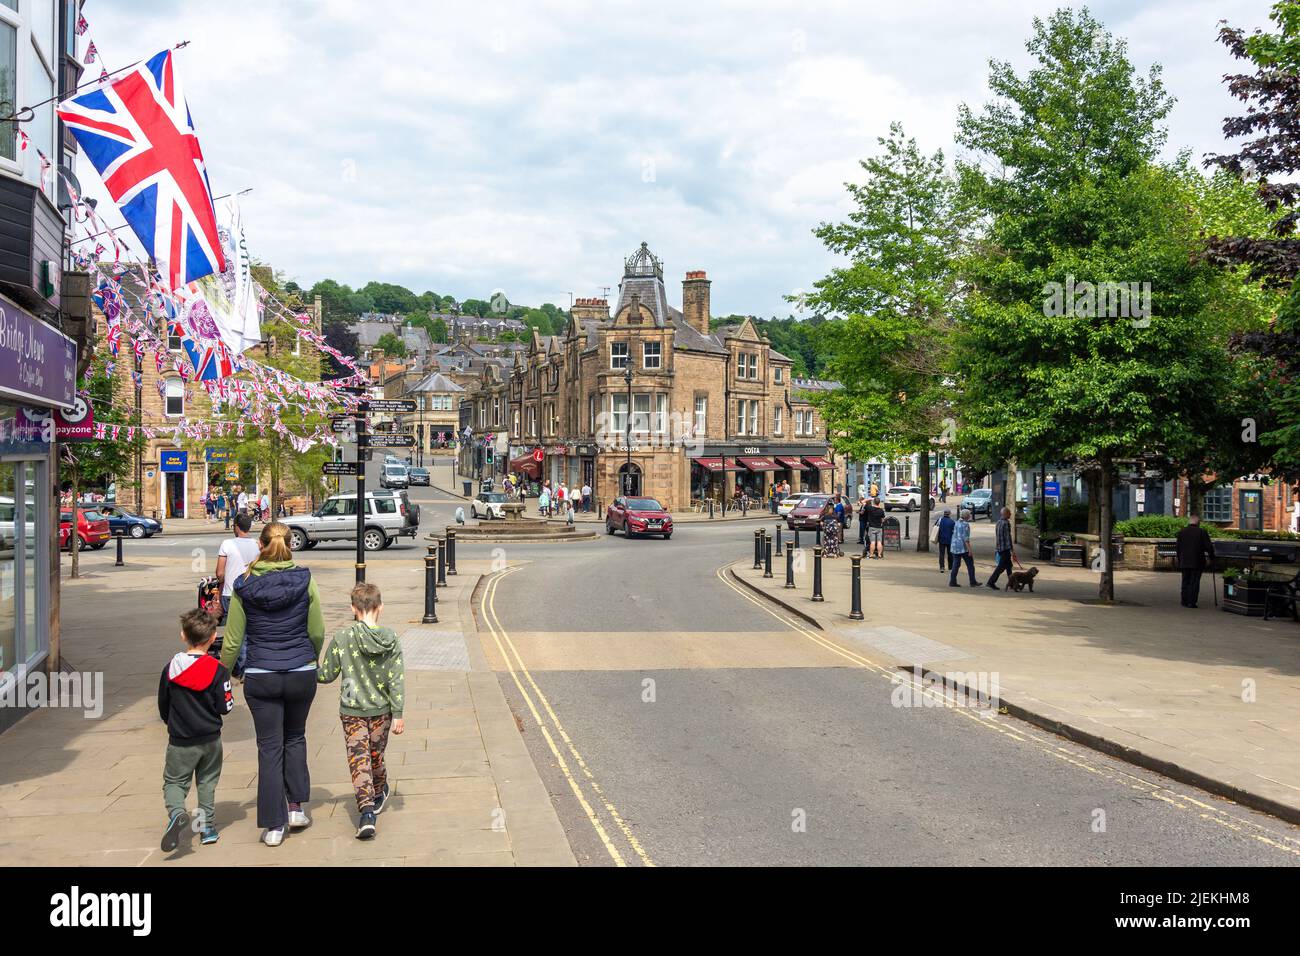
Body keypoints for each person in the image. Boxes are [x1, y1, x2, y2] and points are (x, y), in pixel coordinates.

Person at [219, 521, 325, 847]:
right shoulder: (305, 579)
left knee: (269, 747)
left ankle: (274, 826)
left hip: (261, 674)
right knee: (295, 736)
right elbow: (317, 630)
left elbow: (233, 639)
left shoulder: (244, 583)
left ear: (261, 545)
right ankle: (295, 808)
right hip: (300, 672)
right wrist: (310, 657)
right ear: (290, 544)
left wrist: (223, 672)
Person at [317, 583, 405, 840]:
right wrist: (398, 713)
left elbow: (326, 674)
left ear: (353, 609)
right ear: (380, 608)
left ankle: (378, 791)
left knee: (364, 760)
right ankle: (367, 812)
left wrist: (305, 665)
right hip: (383, 711)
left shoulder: (342, 638)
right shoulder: (391, 639)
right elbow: (396, 678)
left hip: (352, 710)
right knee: (370, 758)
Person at [159, 609, 233, 852]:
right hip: (211, 738)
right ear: (212, 638)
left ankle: (178, 813)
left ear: (183, 635)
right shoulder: (218, 670)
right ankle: (207, 828)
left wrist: (171, 722)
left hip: (180, 738)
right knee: (207, 782)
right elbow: (226, 706)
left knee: (175, 781)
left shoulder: (170, 669)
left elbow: (163, 704)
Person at [215, 512, 261, 672]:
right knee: (250, 629)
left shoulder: (227, 544)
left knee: (236, 631)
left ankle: (241, 668)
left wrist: (220, 585)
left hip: (231, 593)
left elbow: (220, 573)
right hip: (253, 592)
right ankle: (251, 662)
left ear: (236, 526)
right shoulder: (257, 544)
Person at [1175, 515, 1216, 608]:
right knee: (1194, 582)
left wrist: (1179, 558)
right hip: (1197, 561)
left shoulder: (1182, 532)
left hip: (1184, 561)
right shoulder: (1202, 532)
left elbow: (1178, 547)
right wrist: (1212, 557)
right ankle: (1191, 602)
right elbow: (1208, 547)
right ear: (1198, 523)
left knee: (1185, 581)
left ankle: (1184, 600)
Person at [948, 509, 982, 588]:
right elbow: (966, 538)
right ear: (966, 516)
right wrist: (970, 550)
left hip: (954, 546)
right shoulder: (966, 524)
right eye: (969, 514)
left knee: (955, 565)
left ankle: (952, 581)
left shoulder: (956, 522)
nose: (970, 515)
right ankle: (972, 581)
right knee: (970, 565)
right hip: (963, 548)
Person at [987, 506, 1015, 590]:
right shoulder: (1006, 523)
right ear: (1005, 514)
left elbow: (997, 536)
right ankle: (991, 582)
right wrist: (1012, 550)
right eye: (1009, 513)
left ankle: (1012, 583)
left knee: (1009, 566)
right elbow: (1008, 537)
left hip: (1000, 548)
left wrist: (997, 548)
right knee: (1000, 567)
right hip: (1005, 549)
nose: (1010, 514)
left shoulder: (998, 522)